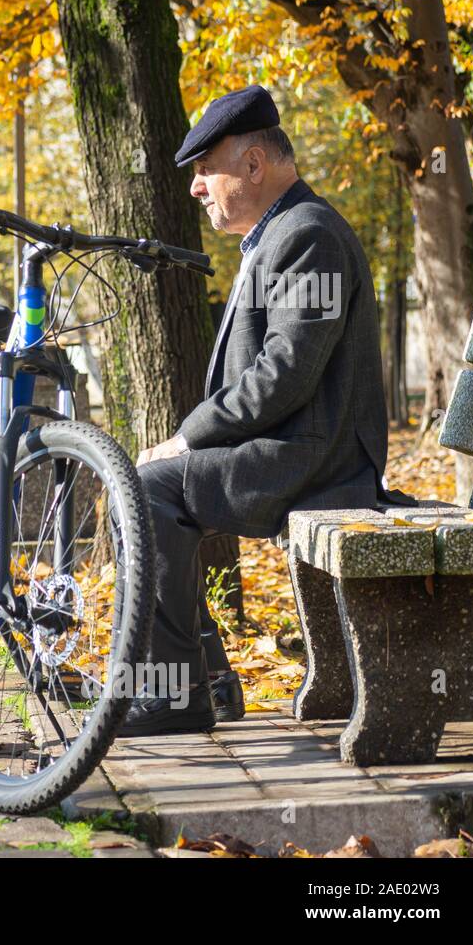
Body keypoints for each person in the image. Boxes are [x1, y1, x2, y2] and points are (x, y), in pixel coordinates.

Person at [121, 85, 390, 736]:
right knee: (147, 485)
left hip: (317, 462)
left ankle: (179, 695)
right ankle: (205, 682)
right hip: (296, 450)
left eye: (204, 171)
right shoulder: (282, 234)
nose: (194, 189)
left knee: (149, 487)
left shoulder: (309, 235)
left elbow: (284, 377)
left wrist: (189, 440)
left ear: (252, 165)